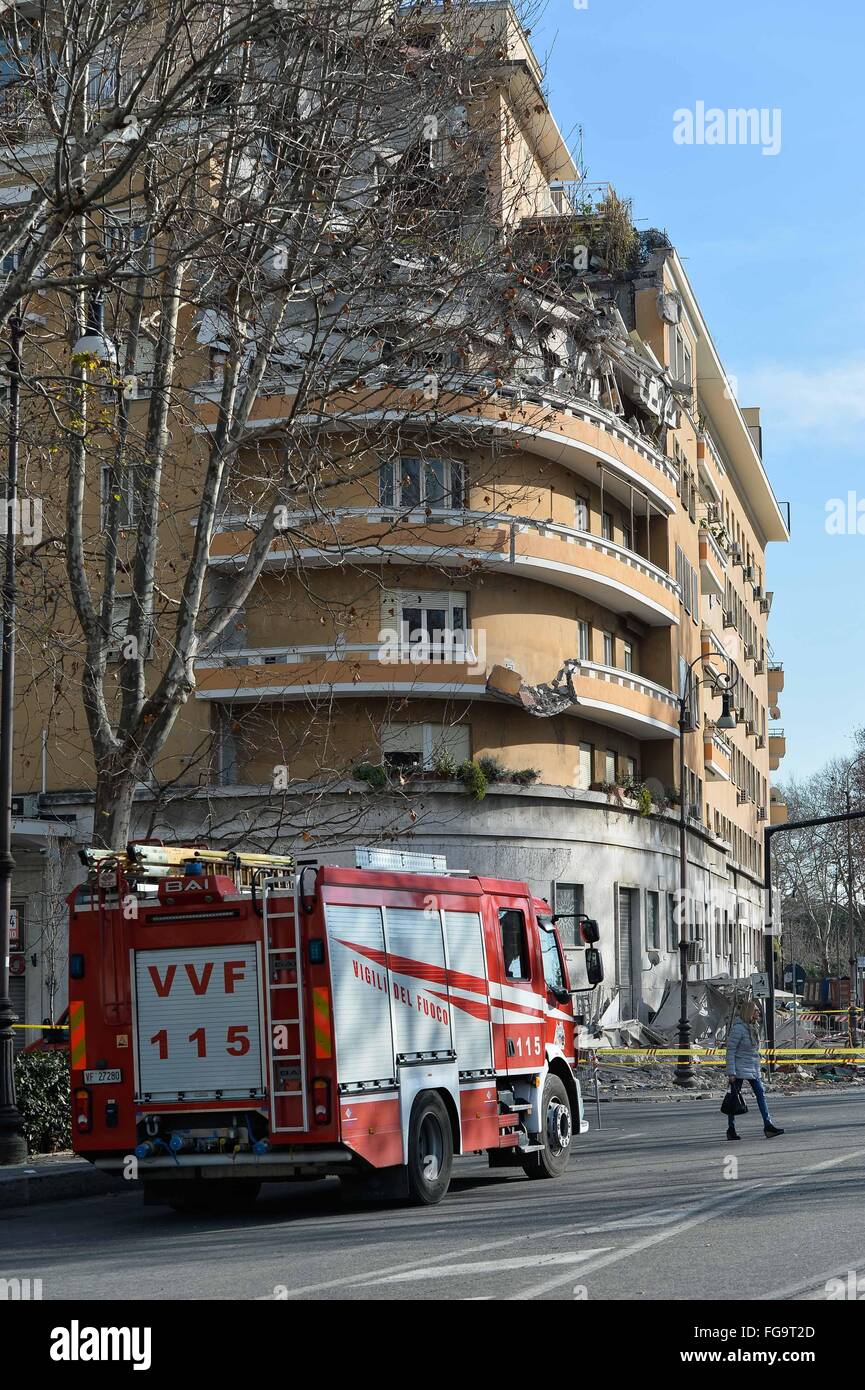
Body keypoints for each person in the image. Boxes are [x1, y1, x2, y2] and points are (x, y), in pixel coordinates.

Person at [724, 998, 784, 1140]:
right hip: (739, 1069)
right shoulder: (738, 1029)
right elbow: (730, 1050)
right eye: (756, 1010)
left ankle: (768, 1125)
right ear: (749, 1012)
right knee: (734, 1099)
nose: (758, 1012)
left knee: (761, 1095)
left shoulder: (753, 1027)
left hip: (752, 1067)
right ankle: (731, 1129)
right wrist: (731, 1072)